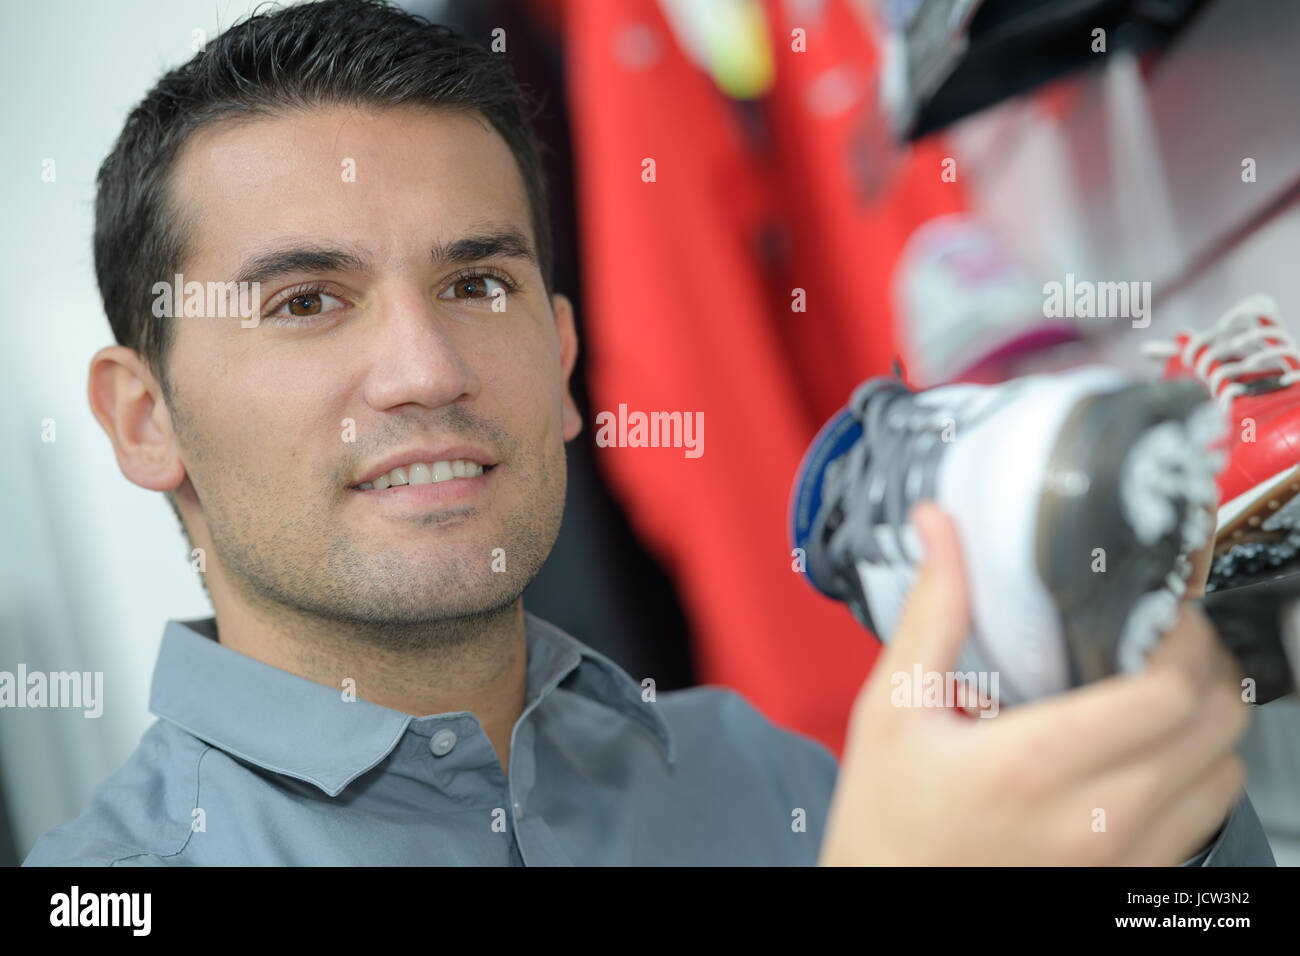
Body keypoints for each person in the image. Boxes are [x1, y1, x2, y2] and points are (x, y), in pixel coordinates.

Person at [23, 0, 1270, 866]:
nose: (427, 368)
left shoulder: (765, 772)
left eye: (477, 283)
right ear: (146, 420)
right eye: (307, 301)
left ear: (566, 362)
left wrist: (1153, 806)